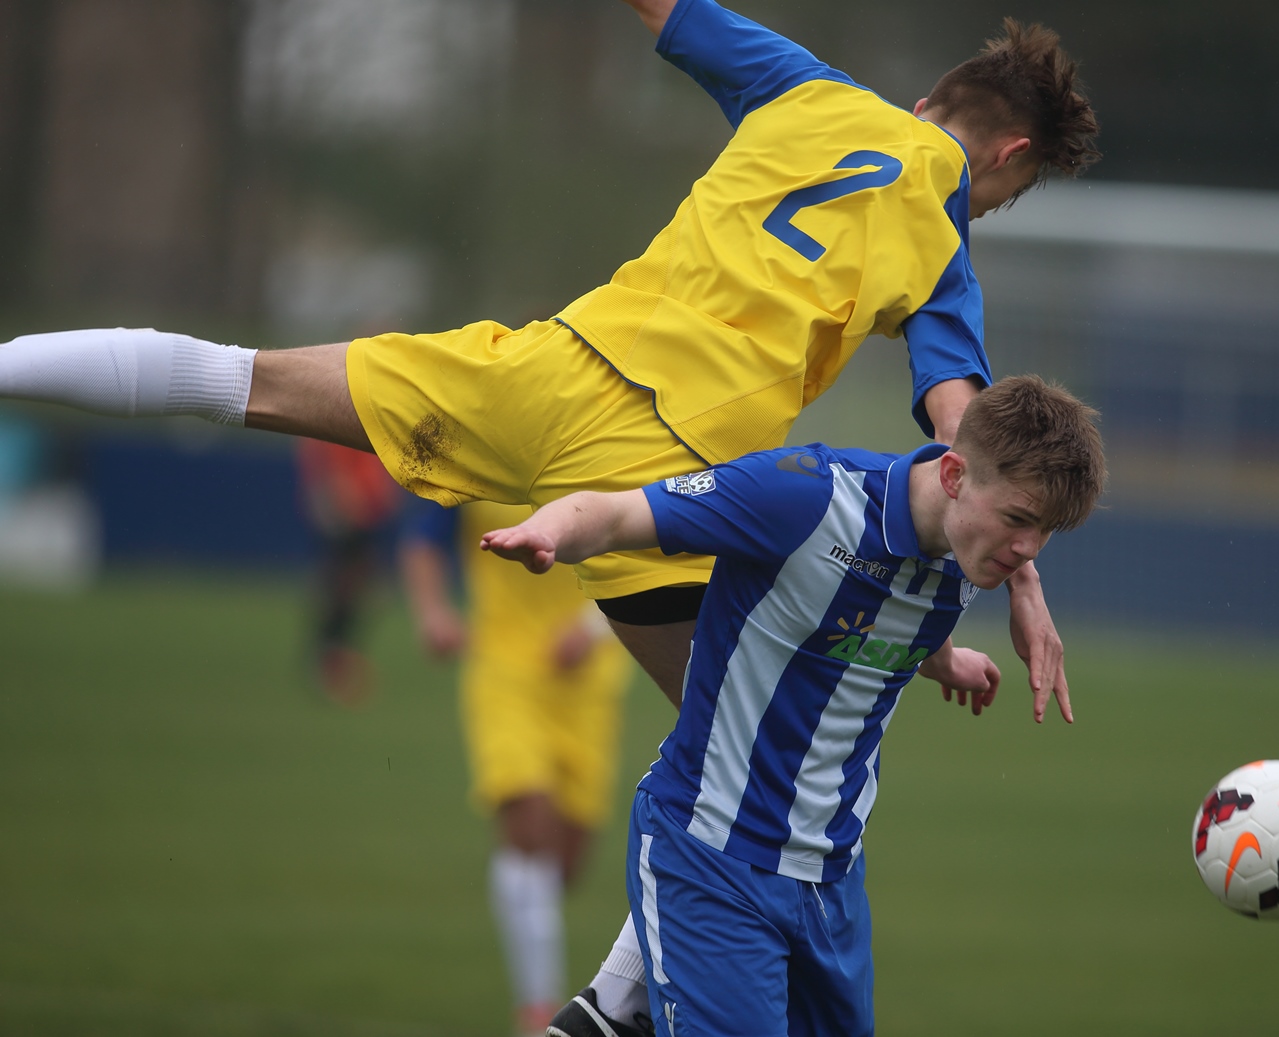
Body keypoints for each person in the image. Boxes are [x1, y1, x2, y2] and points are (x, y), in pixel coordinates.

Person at [0, 0, 1098, 1027]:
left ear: (926, 102)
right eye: (1008, 193)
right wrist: (1022, 581)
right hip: (661, 460)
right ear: (1008, 154)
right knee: (760, 789)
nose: (987, 209)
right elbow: (971, 449)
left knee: (242, 378)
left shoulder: (807, 88)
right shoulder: (941, 234)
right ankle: (608, 1007)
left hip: (548, 369)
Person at [481, 375, 1106, 1037]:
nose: (1028, 549)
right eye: (1019, 521)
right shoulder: (803, 496)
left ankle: (609, 1013)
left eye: (1044, 531)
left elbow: (882, 605)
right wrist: (547, 532)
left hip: (831, 879)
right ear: (953, 476)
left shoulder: (966, 546)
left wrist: (946, 658)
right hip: (713, 850)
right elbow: (620, 515)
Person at [400, 499, 634, 1036]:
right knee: (529, 824)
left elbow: (645, 553)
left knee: (565, 863)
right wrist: (433, 612)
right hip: (502, 671)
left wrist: (593, 627)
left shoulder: (594, 461)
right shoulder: (475, 464)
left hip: (586, 683)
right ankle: (535, 1010)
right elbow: (423, 540)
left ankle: (537, 970)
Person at [296, 438, 405, 704]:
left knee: (359, 588)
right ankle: (330, 661)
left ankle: (334, 657)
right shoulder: (333, 428)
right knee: (346, 587)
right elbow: (327, 462)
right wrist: (339, 497)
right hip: (351, 511)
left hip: (366, 510)